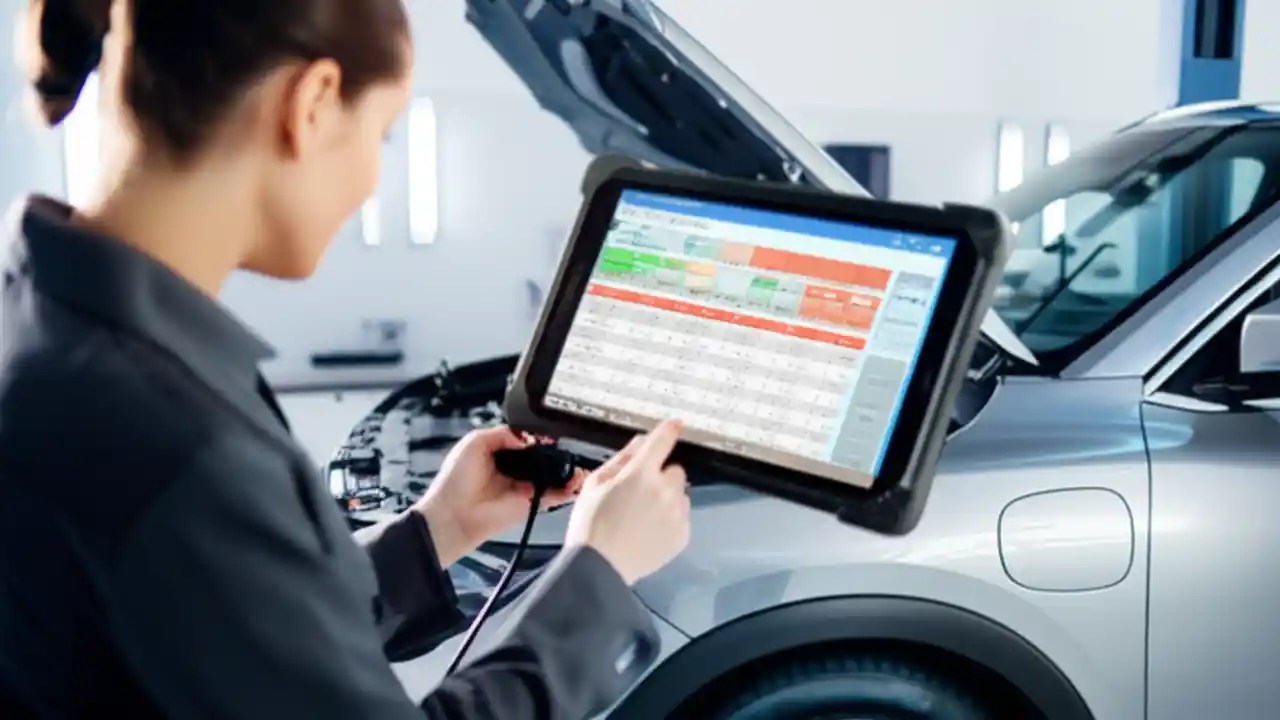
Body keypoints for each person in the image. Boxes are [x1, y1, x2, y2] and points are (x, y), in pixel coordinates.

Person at [0, 1, 692, 718]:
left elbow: (233, 629)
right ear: (315, 102)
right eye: (383, 134)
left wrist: (439, 529)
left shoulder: (53, 327)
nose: (369, 180)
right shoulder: (171, 442)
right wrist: (599, 577)